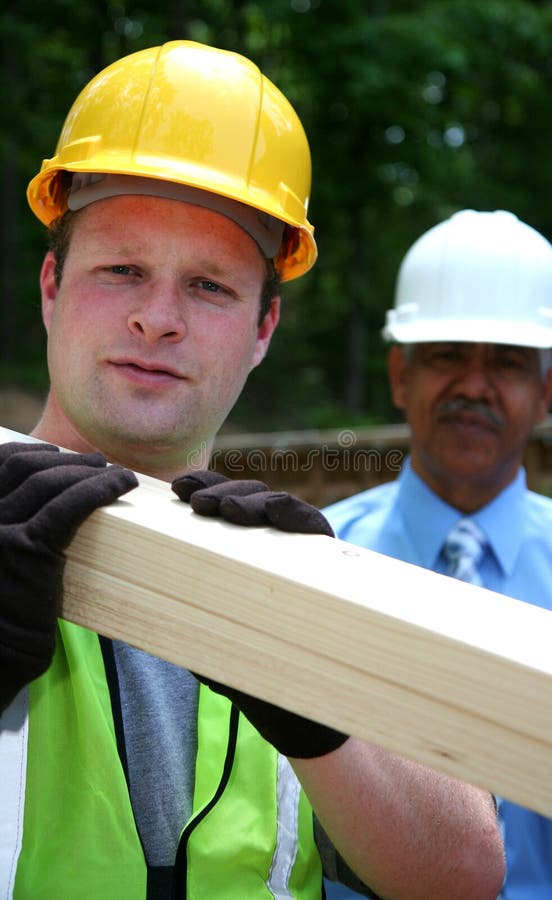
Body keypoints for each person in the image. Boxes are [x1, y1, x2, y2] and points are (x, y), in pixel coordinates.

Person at [0, 43, 504, 898]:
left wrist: (316, 697)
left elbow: (461, 877)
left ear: (264, 327)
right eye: (122, 270)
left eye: (208, 287)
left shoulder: (301, 564)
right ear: (52, 285)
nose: (157, 320)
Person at [325, 208, 552, 899]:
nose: (474, 386)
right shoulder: (314, 564)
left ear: (546, 393)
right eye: (448, 354)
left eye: (506, 363)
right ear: (399, 374)